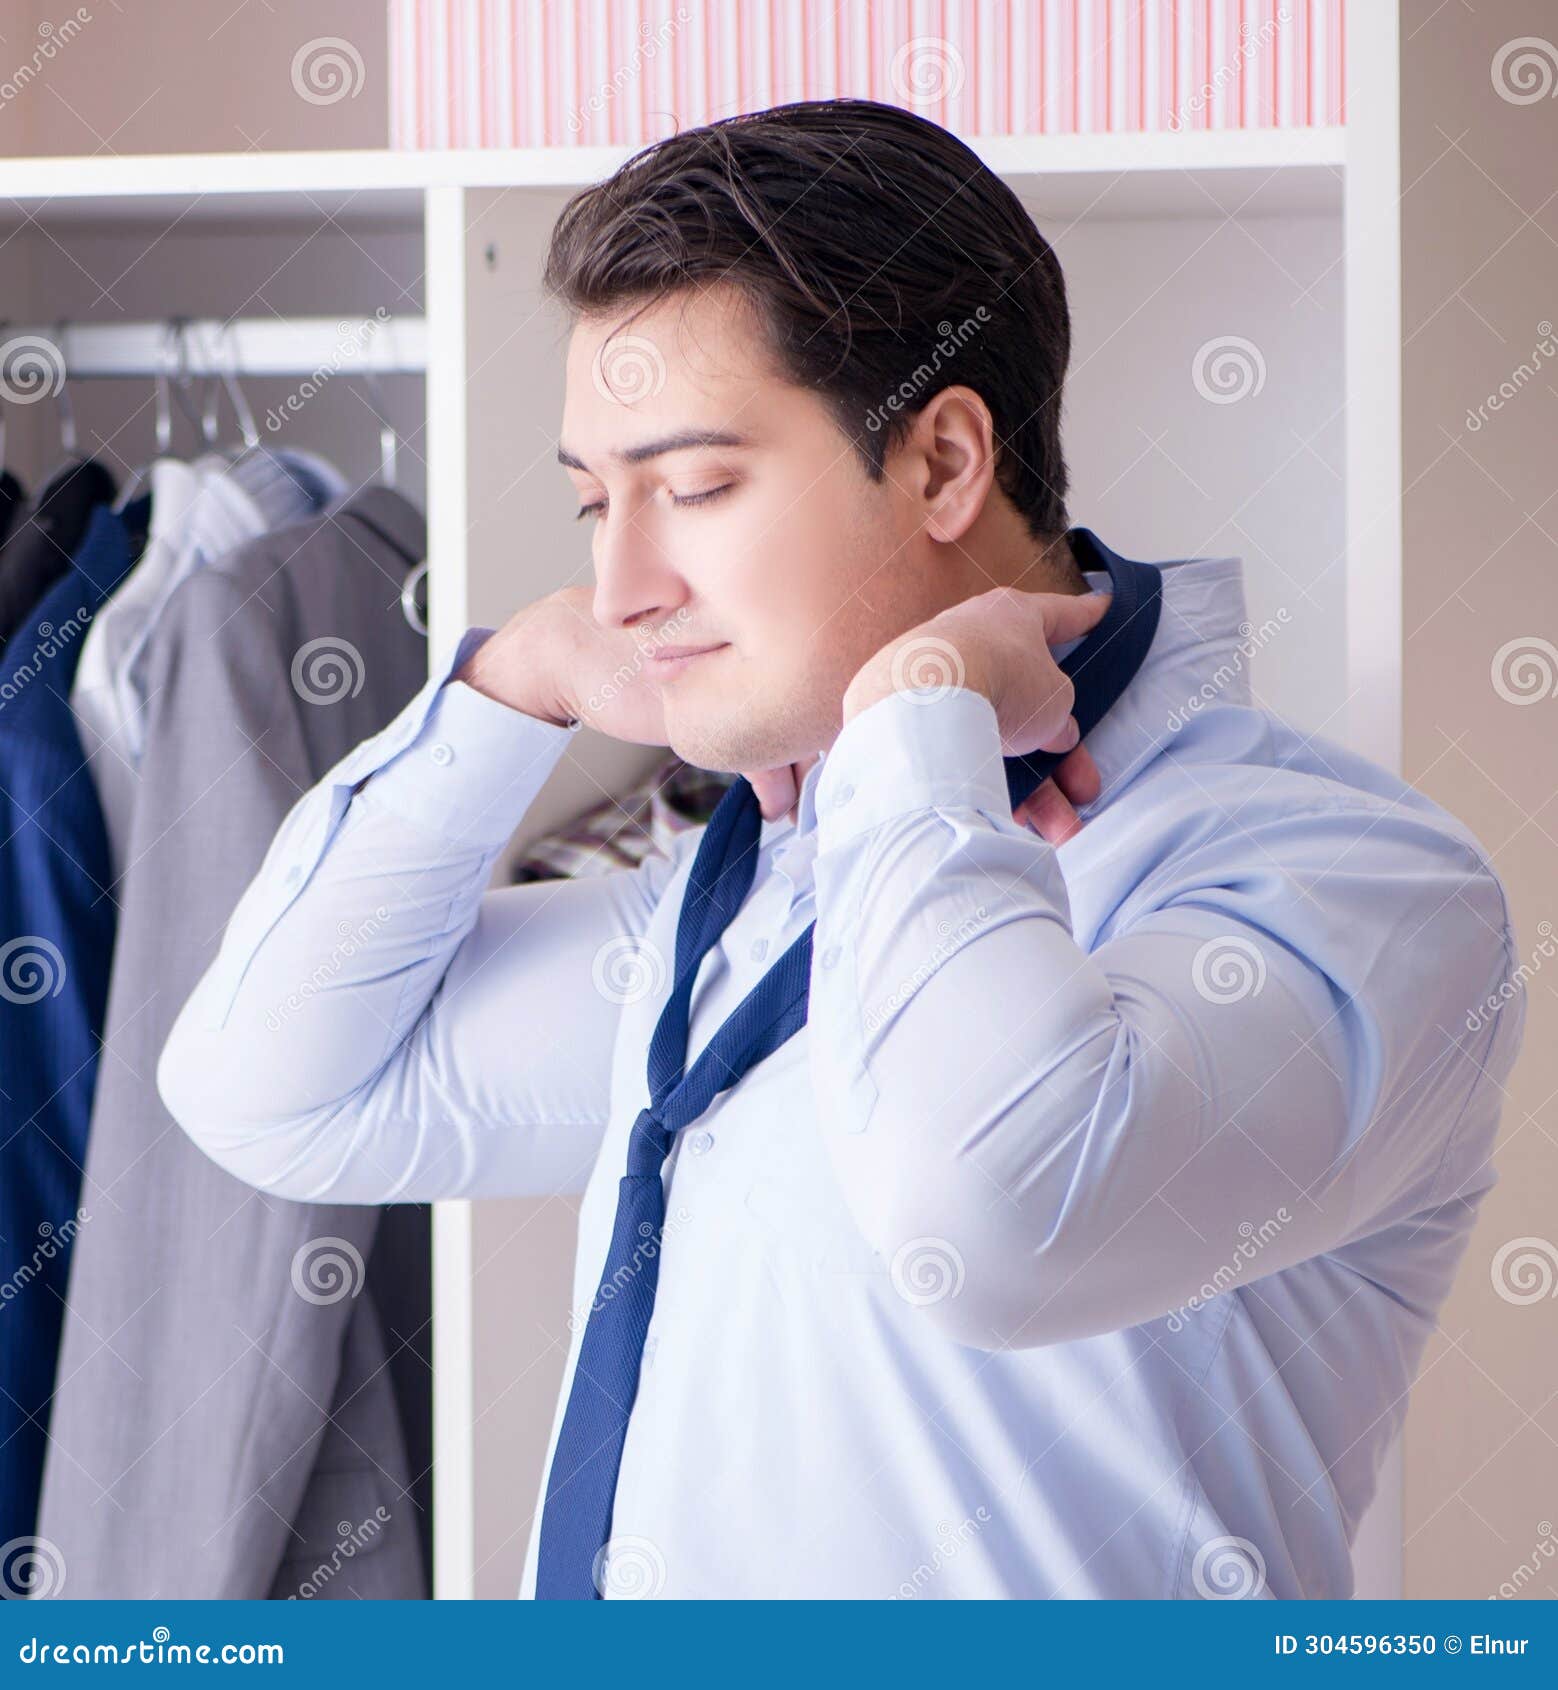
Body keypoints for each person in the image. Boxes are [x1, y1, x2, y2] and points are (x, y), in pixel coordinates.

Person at [159, 99, 1524, 1600]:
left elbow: (999, 1215)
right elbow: (272, 1091)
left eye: (689, 488)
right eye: (587, 502)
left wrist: (919, 713)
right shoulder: (733, 907)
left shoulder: (1344, 883)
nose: (618, 580)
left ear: (942, 463)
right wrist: (509, 685)